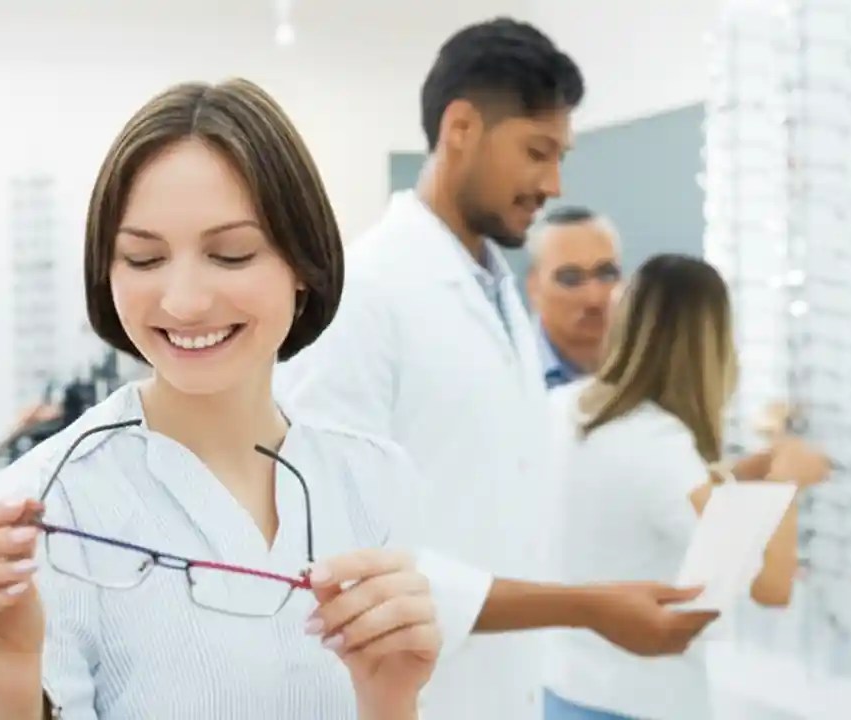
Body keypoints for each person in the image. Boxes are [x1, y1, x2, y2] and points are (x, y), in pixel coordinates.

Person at [0, 78, 477, 720]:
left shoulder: (374, 480)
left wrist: (391, 700)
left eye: (231, 254)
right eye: (144, 259)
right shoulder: (44, 503)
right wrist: (9, 702)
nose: (184, 301)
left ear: (303, 265)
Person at [276, 17, 717, 720]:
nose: (553, 183)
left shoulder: (496, 292)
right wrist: (584, 607)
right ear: (461, 128)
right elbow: (338, 551)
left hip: (506, 690)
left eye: (560, 156)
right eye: (537, 152)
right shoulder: (362, 293)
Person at [543, 254, 831, 720]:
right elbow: (770, 587)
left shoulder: (561, 407)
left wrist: (744, 473)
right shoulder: (659, 445)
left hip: (561, 690)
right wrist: (787, 482)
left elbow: (637, 498)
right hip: (636, 704)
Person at [524, 206, 622, 389]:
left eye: (607, 274)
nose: (594, 298)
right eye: (570, 279)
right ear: (534, 288)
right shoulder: (507, 373)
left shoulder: (658, 367)